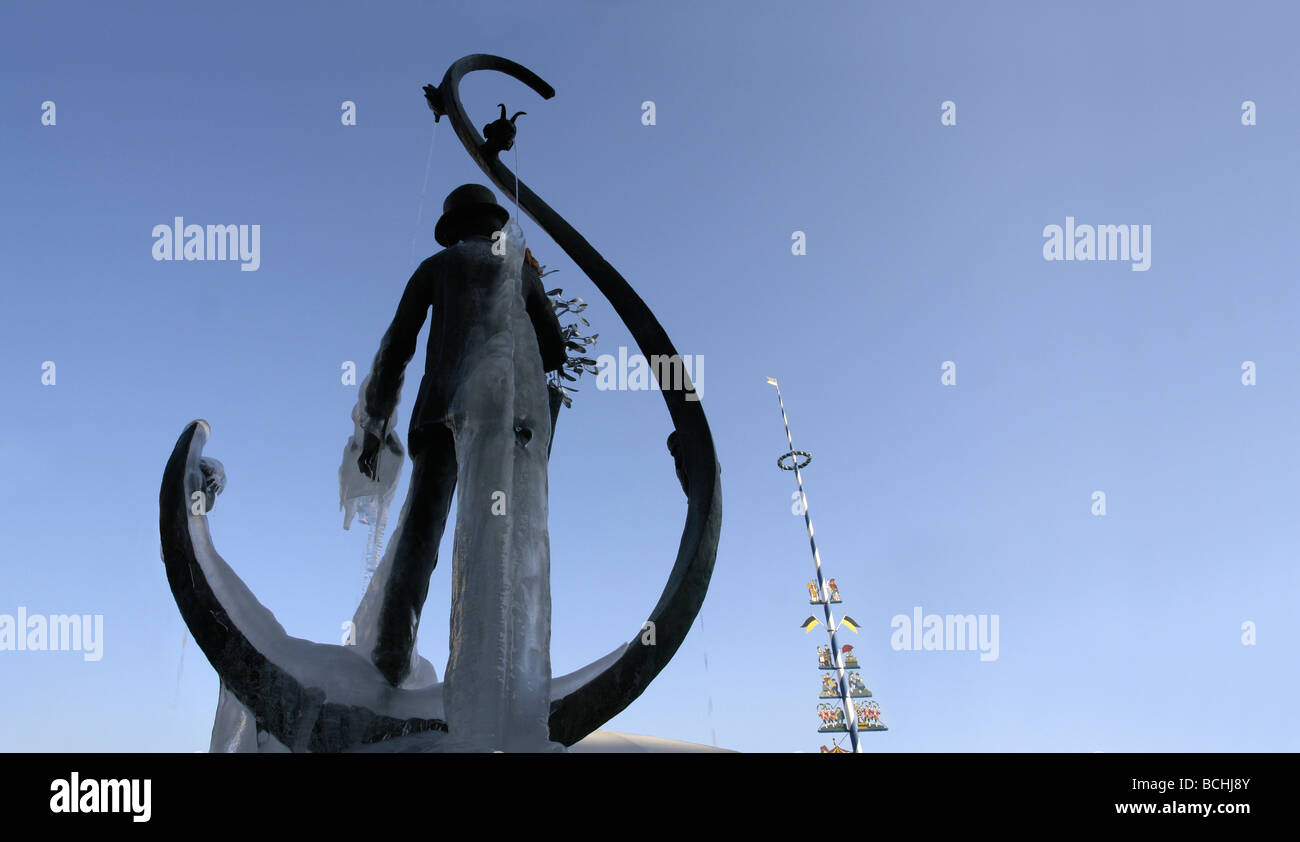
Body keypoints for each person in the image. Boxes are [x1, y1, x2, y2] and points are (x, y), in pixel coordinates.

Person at [350, 183, 566, 698]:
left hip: (440, 417)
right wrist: (530, 280)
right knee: (501, 539)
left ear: (453, 229)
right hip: (503, 423)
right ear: (493, 224)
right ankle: (496, 676)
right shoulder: (516, 272)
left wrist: (376, 426)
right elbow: (555, 351)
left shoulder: (434, 268)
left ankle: (389, 663)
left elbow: (395, 350)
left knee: (420, 540)